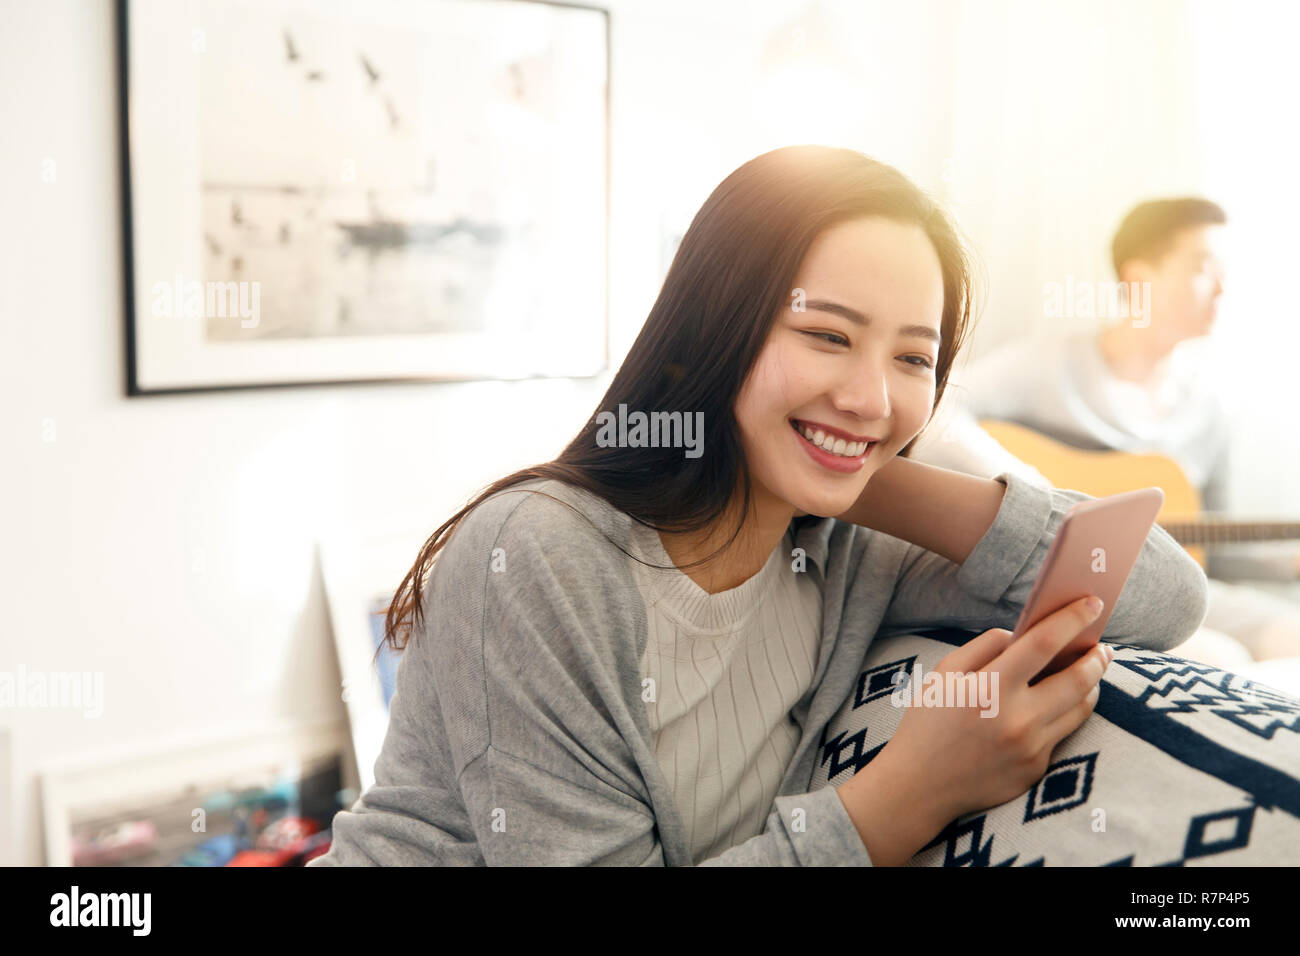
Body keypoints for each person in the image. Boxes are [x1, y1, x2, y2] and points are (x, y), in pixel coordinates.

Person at [308, 147, 1208, 867]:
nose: (870, 390)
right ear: (718, 327)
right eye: (827, 336)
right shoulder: (542, 554)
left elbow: (1165, 597)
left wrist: (865, 461)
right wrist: (907, 797)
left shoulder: (846, 549)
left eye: (911, 359)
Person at [911, 198, 1300, 669]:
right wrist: (1041, 496)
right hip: (1073, 585)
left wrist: (1288, 561)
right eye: (1202, 267)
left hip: (1177, 583)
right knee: (1221, 655)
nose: (1222, 287)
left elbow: (1212, 547)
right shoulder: (1050, 366)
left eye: (1225, 271)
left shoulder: (1211, 407)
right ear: (1139, 276)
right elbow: (936, 407)